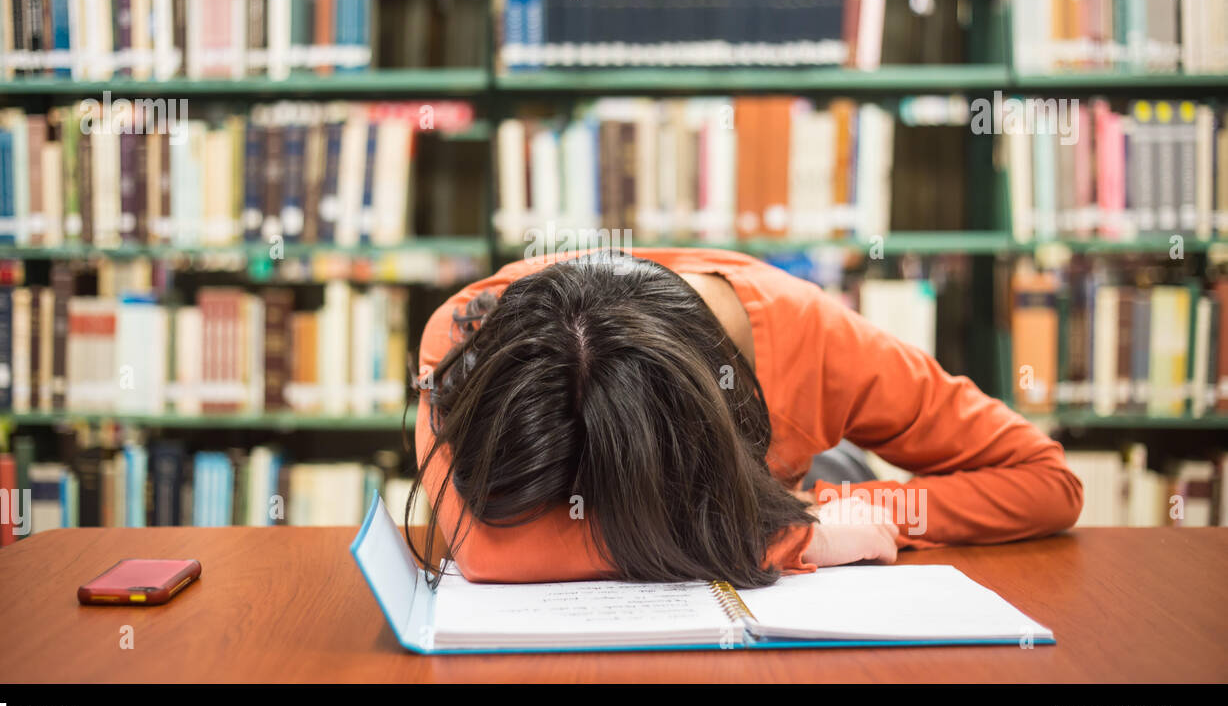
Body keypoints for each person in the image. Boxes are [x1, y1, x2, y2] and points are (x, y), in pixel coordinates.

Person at [408, 247, 1082, 588]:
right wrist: (788, 534)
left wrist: (840, 507)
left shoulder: (815, 338)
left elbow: (1046, 481)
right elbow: (490, 550)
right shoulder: (471, 339)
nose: (579, 515)